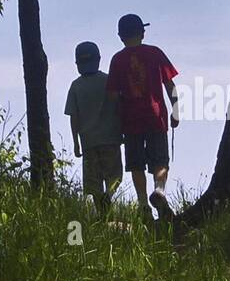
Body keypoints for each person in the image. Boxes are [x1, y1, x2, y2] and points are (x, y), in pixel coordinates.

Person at [106, 13, 178, 220]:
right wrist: (176, 110)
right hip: (156, 118)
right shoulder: (155, 53)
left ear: (120, 36)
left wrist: (119, 114)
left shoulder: (117, 60)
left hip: (130, 121)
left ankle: (142, 204)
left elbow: (111, 95)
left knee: (136, 163)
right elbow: (169, 85)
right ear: (143, 33)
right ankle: (160, 191)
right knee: (161, 160)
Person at [64, 41, 123, 211]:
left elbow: (73, 117)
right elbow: (119, 107)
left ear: (77, 64)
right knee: (114, 175)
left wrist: (76, 142)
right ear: (98, 59)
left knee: (93, 182)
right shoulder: (108, 81)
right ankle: (109, 195)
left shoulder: (76, 86)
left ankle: (101, 212)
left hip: (89, 142)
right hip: (111, 138)